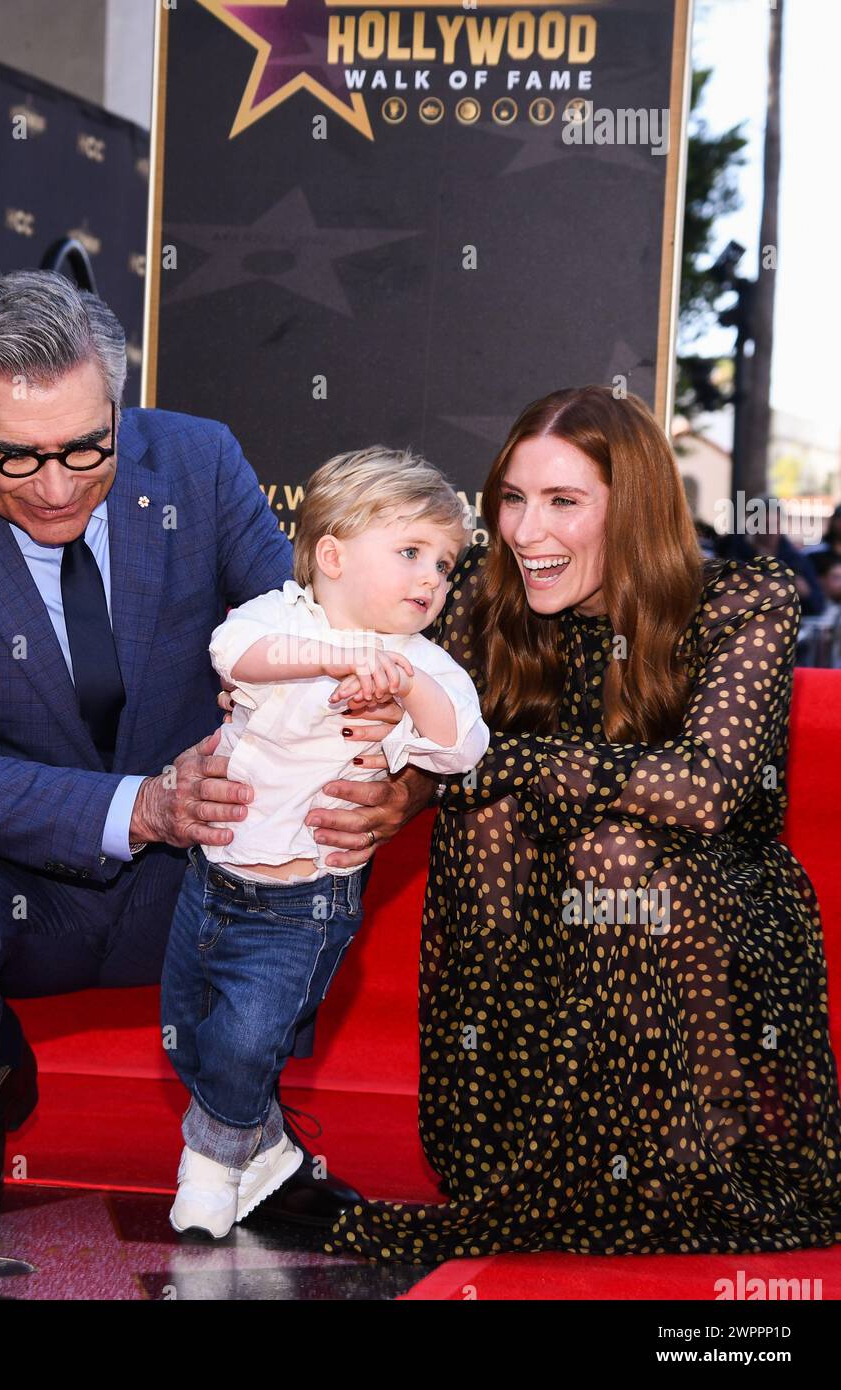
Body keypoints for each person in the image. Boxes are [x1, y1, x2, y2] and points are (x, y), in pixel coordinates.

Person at [0, 269, 387, 1216]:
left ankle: (244, 1123)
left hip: (200, 855)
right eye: (14, 456)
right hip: (2, 857)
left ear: (119, 402)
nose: (55, 488)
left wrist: (376, 719)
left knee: (327, 820)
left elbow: (312, 625)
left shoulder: (199, 461)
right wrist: (135, 805)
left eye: (86, 447)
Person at [319, 385, 841, 1264]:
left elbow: (704, 789)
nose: (527, 532)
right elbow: (404, 722)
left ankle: (682, 1161)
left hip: (707, 924)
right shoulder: (486, 608)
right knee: (489, 821)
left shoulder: (742, 600)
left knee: (617, 847)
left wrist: (490, 763)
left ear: (632, 506)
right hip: (536, 912)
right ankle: (507, 1152)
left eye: (564, 501)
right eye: (514, 500)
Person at [163, 448, 489, 1237]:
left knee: (247, 1040)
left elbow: (461, 748)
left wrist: (404, 686)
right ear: (334, 556)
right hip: (210, 880)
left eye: (444, 565)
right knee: (192, 1037)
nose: (430, 580)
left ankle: (209, 1165)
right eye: (410, 553)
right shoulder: (280, 621)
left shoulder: (423, 665)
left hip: (306, 899)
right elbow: (232, 654)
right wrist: (345, 655)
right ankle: (266, 1151)